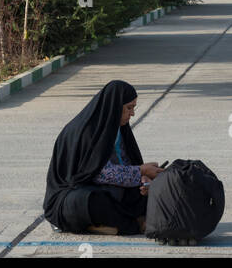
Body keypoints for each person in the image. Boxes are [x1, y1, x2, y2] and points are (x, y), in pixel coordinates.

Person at [44, 79, 165, 235]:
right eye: (129, 108)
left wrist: (144, 180)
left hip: (109, 188)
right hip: (73, 194)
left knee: (150, 192)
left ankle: (114, 225)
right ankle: (130, 224)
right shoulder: (86, 132)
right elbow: (98, 173)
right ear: (114, 107)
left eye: (133, 108)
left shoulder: (117, 130)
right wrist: (140, 171)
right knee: (92, 201)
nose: (132, 113)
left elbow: (126, 163)